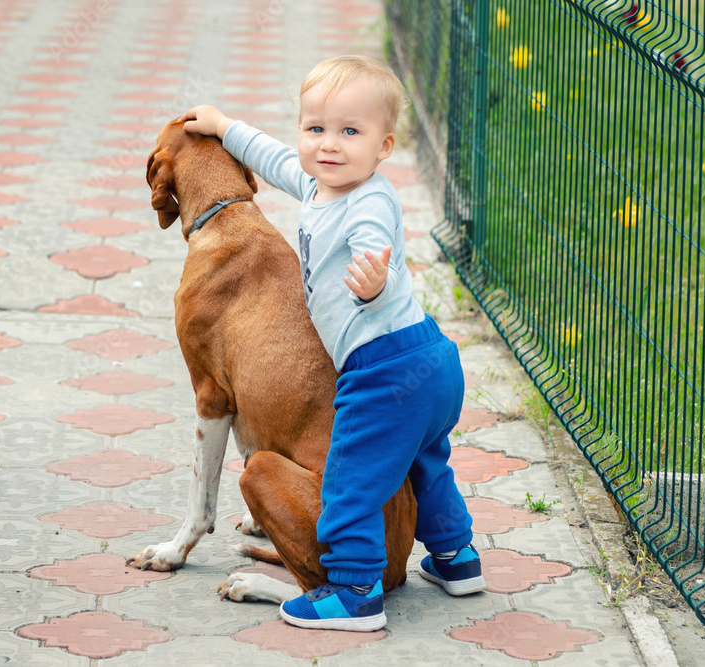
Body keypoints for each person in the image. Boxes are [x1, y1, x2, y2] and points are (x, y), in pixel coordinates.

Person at [182, 55, 484, 632]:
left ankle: (353, 592)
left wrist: (375, 283)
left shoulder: (368, 201)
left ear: (385, 145)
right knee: (427, 467)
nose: (328, 144)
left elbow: (376, 243)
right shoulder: (321, 185)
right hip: (430, 360)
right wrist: (224, 128)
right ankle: (456, 559)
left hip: (384, 373)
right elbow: (272, 159)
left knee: (349, 481)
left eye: (350, 131)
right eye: (315, 129)